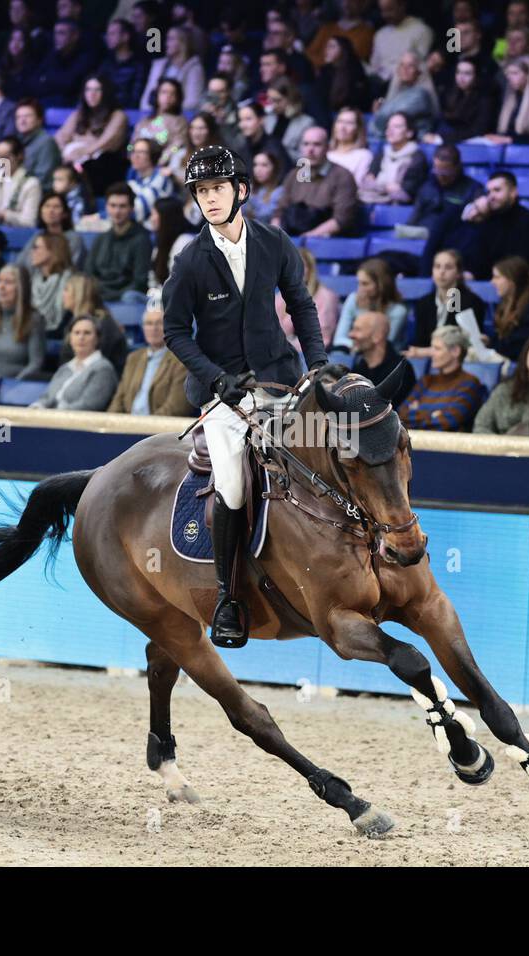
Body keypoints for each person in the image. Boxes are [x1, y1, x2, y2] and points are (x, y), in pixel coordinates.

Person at [161, 145, 328, 647]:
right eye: (201, 192)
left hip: (281, 380)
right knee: (232, 484)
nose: (209, 199)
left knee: (328, 451)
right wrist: (215, 379)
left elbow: (300, 303)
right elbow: (174, 332)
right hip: (223, 394)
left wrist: (317, 362)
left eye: (217, 189)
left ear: (241, 191)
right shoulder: (190, 260)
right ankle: (228, 598)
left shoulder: (275, 241)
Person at [460, 170, 529, 283]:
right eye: (488, 192)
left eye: (497, 190)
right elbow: (477, 262)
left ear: (513, 192)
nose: (491, 196)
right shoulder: (487, 222)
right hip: (491, 286)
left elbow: (522, 266)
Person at [272, 126, 360, 238]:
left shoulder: (342, 176)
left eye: (317, 144)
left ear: (327, 147)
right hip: (292, 237)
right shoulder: (293, 175)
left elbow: (342, 219)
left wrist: (306, 238)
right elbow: (279, 212)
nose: (310, 150)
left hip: (327, 242)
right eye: (306, 144)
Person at [398, 324, 486, 432]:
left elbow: (450, 421)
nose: (431, 353)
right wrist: (434, 414)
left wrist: (417, 411)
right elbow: (401, 415)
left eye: (437, 349)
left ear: (455, 351)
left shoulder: (469, 383)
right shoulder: (426, 381)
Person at [107, 307, 193, 416]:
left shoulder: (181, 360)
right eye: (149, 324)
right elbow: (118, 399)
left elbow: (176, 407)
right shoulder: (133, 358)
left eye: (159, 323)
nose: (154, 328)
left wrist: (145, 425)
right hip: (127, 426)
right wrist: (111, 422)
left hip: (158, 429)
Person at [55, 75, 129, 199]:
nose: (92, 94)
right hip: (72, 160)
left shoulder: (118, 115)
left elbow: (108, 142)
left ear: (106, 92)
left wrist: (83, 152)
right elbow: (61, 138)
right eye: (88, 90)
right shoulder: (78, 114)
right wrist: (65, 153)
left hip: (101, 164)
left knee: (94, 165)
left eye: (97, 90)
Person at [84, 182, 151, 302]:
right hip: (100, 296)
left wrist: (108, 296)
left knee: (129, 297)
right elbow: (89, 273)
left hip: (124, 298)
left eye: (122, 206)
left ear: (131, 208)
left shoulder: (142, 240)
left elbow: (139, 281)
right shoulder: (101, 239)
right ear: (106, 207)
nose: (117, 211)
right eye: (113, 205)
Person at [487, 256, 529, 363]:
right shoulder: (505, 304)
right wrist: (488, 342)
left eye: (497, 277)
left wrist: (491, 347)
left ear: (512, 280)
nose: (492, 282)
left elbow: (518, 347)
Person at [332, 256, 408, 350]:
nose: (360, 289)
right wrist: (357, 345)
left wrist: (366, 311)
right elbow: (339, 339)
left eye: (365, 284)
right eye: (359, 283)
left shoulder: (398, 311)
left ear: (381, 285)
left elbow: (382, 345)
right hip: (352, 352)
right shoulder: (353, 299)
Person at [357, 111, 427, 205]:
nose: (390, 130)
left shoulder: (417, 157)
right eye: (388, 126)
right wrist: (388, 187)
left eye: (397, 126)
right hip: (374, 200)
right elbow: (368, 181)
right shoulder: (383, 152)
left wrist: (378, 186)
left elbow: (406, 192)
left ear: (409, 133)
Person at [347, 310, 414, 405]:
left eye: (358, 330)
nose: (350, 335)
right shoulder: (359, 367)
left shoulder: (400, 370)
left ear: (377, 336)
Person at [369, 51, 439, 142]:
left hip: (413, 143)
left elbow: (383, 117)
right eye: (402, 65)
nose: (405, 69)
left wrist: (378, 113)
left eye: (410, 66)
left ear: (418, 71)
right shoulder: (399, 90)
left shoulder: (421, 94)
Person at [29, 17, 94, 108]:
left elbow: (69, 85)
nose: (56, 37)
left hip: (70, 106)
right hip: (46, 102)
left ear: (75, 36)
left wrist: (46, 80)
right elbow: (33, 83)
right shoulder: (51, 56)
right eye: (55, 33)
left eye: (62, 33)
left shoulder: (85, 57)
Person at [139, 26, 206, 113]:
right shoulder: (158, 65)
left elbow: (192, 102)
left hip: (180, 117)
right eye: (167, 39)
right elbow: (146, 97)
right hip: (154, 116)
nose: (167, 43)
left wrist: (168, 112)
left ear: (182, 42)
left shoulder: (195, 69)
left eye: (171, 39)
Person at [0, 136, 41, 227]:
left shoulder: (31, 184)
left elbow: (29, 222)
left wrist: (5, 215)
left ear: (19, 156)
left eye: (5, 157)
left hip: (17, 234)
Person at [133, 78, 190, 171]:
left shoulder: (180, 122)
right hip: (137, 166)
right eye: (164, 92)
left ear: (178, 98)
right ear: (156, 95)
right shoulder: (145, 121)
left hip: (161, 168)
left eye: (173, 94)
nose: (168, 96)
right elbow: (132, 144)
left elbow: (176, 146)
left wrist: (159, 162)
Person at [101, 19, 147, 112]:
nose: (108, 37)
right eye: (108, 34)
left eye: (113, 33)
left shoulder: (139, 65)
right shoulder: (106, 63)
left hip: (126, 113)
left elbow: (135, 98)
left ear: (125, 37)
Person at [246, 151, 284, 221]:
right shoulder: (249, 188)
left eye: (264, 165)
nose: (258, 169)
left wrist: (248, 199)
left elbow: (265, 216)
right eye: (255, 165)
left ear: (274, 168)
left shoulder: (279, 192)